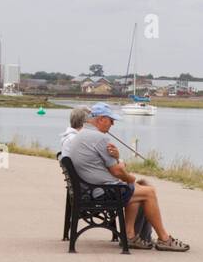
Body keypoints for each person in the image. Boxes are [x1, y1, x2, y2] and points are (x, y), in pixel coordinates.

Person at [67, 102, 189, 252]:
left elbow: (113, 168)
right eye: (111, 120)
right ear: (101, 119)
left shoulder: (83, 134)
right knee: (148, 192)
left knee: (135, 190)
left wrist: (118, 160)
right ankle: (165, 239)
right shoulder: (99, 138)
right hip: (99, 192)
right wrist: (129, 177)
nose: (112, 124)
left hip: (88, 190)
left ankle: (130, 235)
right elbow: (117, 172)